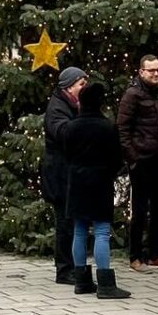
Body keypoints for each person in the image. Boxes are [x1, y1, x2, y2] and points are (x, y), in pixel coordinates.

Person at [65, 81, 131, 299]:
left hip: (77, 181)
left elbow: (66, 154)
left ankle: (81, 280)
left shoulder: (72, 126)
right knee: (102, 231)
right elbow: (116, 157)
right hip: (100, 180)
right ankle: (105, 284)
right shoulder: (107, 126)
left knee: (80, 230)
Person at [117, 54, 158, 271]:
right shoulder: (132, 95)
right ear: (141, 72)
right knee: (139, 210)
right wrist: (132, 157)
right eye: (151, 70)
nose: (156, 73)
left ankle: (155, 253)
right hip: (141, 161)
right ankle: (135, 256)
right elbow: (122, 129)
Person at [43, 66, 84, 285]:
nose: (83, 88)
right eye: (81, 84)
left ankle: (73, 266)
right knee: (65, 223)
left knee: (72, 221)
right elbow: (62, 132)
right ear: (69, 87)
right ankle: (64, 269)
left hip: (70, 173)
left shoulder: (74, 104)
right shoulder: (58, 107)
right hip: (60, 175)